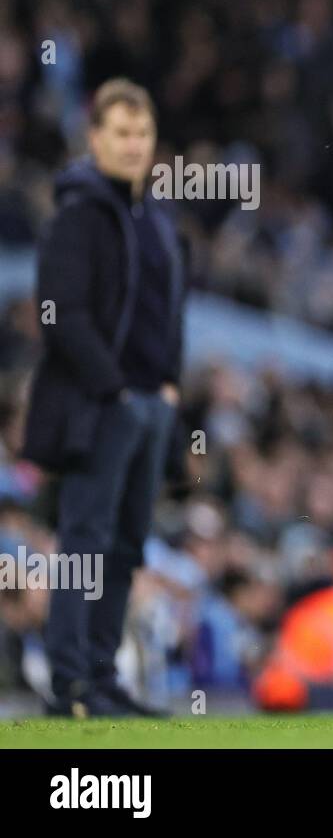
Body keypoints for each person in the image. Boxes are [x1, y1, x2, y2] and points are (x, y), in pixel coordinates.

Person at [23, 78, 186, 717]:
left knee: (124, 546)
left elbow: (169, 315)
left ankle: (102, 674)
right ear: (95, 138)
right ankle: (70, 685)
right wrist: (114, 389)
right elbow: (60, 314)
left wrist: (169, 388)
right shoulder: (77, 215)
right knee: (83, 544)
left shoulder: (157, 222)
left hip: (149, 404)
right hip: (101, 405)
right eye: (120, 132)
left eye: (142, 132)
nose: (132, 144)